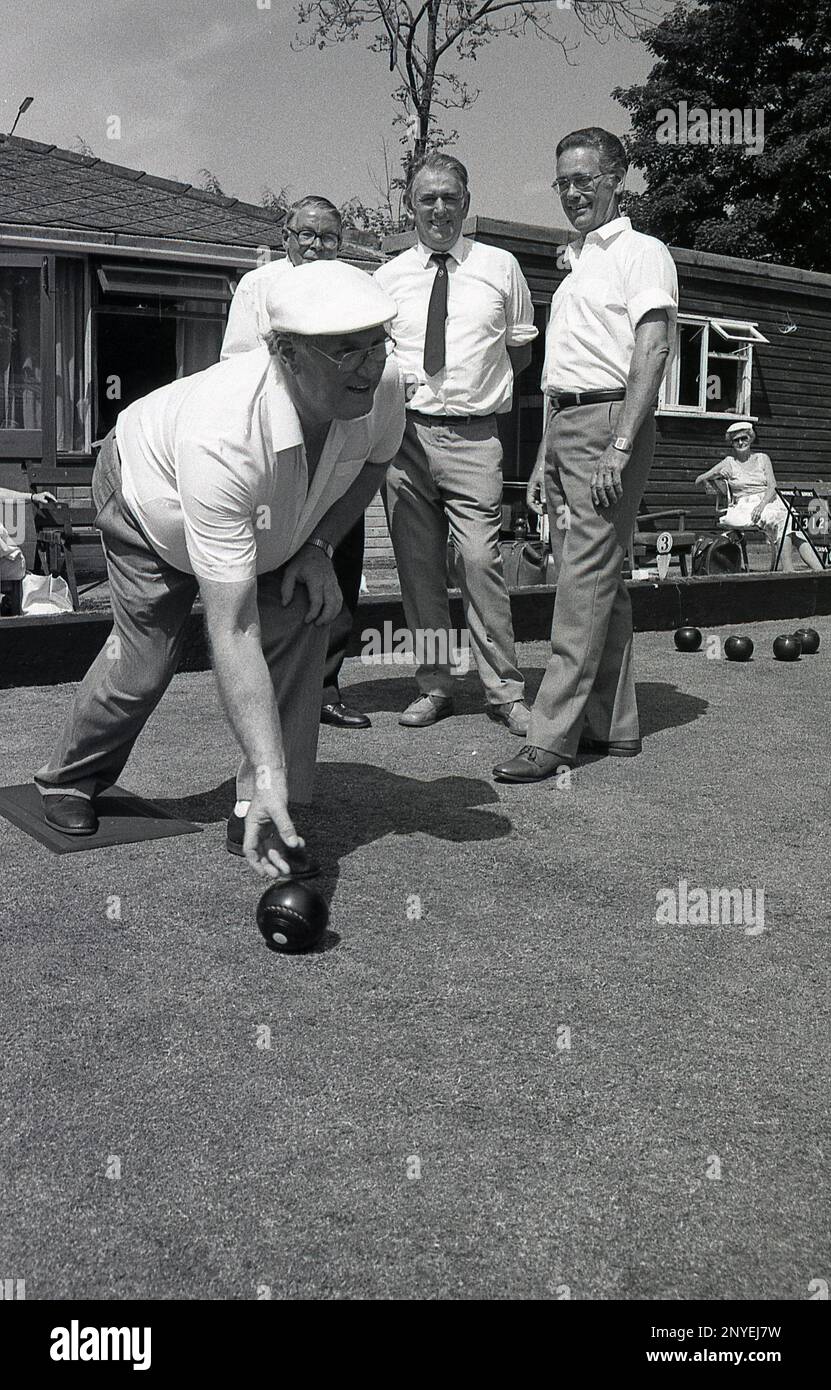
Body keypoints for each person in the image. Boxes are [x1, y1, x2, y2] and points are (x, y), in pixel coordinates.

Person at [34, 262, 404, 879]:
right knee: (146, 659)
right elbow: (233, 630)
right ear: (285, 353)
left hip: (269, 523)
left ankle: (259, 804)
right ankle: (69, 779)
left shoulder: (381, 386)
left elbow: (375, 462)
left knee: (301, 613)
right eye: (347, 353)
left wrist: (317, 547)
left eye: (377, 344)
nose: (371, 366)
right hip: (147, 500)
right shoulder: (223, 434)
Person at [493, 127, 678, 784]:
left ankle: (550, 737)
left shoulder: (641, 251)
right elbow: (563, 371)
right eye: (562, 181)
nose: (571, 192)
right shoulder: (575, 263)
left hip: (609, 421)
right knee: (603, 582)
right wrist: (544, 451)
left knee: (579, 584)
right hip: (568, 420)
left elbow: (650, 352)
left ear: (615, 179)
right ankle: (612, 724)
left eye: (584, 180)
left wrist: (618, 445)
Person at [374, 152, 537, 735]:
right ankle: (435, 685)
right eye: (427, 198)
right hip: (405, 437)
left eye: (450, 197)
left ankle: (504, 691)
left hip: (474, 437)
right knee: (418, 570)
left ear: (467, 202)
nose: (439, 208)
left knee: (478, 561)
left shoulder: (502, 267)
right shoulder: (387, 278)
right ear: (410, 205)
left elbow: (519, 350)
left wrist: (474, 396)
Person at [222, 195, 373, 729]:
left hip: (335, 438)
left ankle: (326, 684)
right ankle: (259, 682)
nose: (316, 245)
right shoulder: (257, 287)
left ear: (342, 242)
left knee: (335, 552)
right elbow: (235, 362)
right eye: (305, 234)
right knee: (267, 558)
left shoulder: (354, 286)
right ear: (286, 237)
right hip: (272, 441)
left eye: (328, 236)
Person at [695, 421, 823, 572]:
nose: (741, 442)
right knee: (785, 521)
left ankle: (821, 573)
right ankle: (788, 571)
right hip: (745, 505)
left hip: (769, 501)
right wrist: (716, 475)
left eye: (744, 438)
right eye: (736, 440)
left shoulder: (763, 458)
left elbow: (772, 486)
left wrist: (762, 505)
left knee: (794, 524)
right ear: (731, 443)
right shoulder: (729, 462)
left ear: (750, 438)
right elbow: (699, 479)